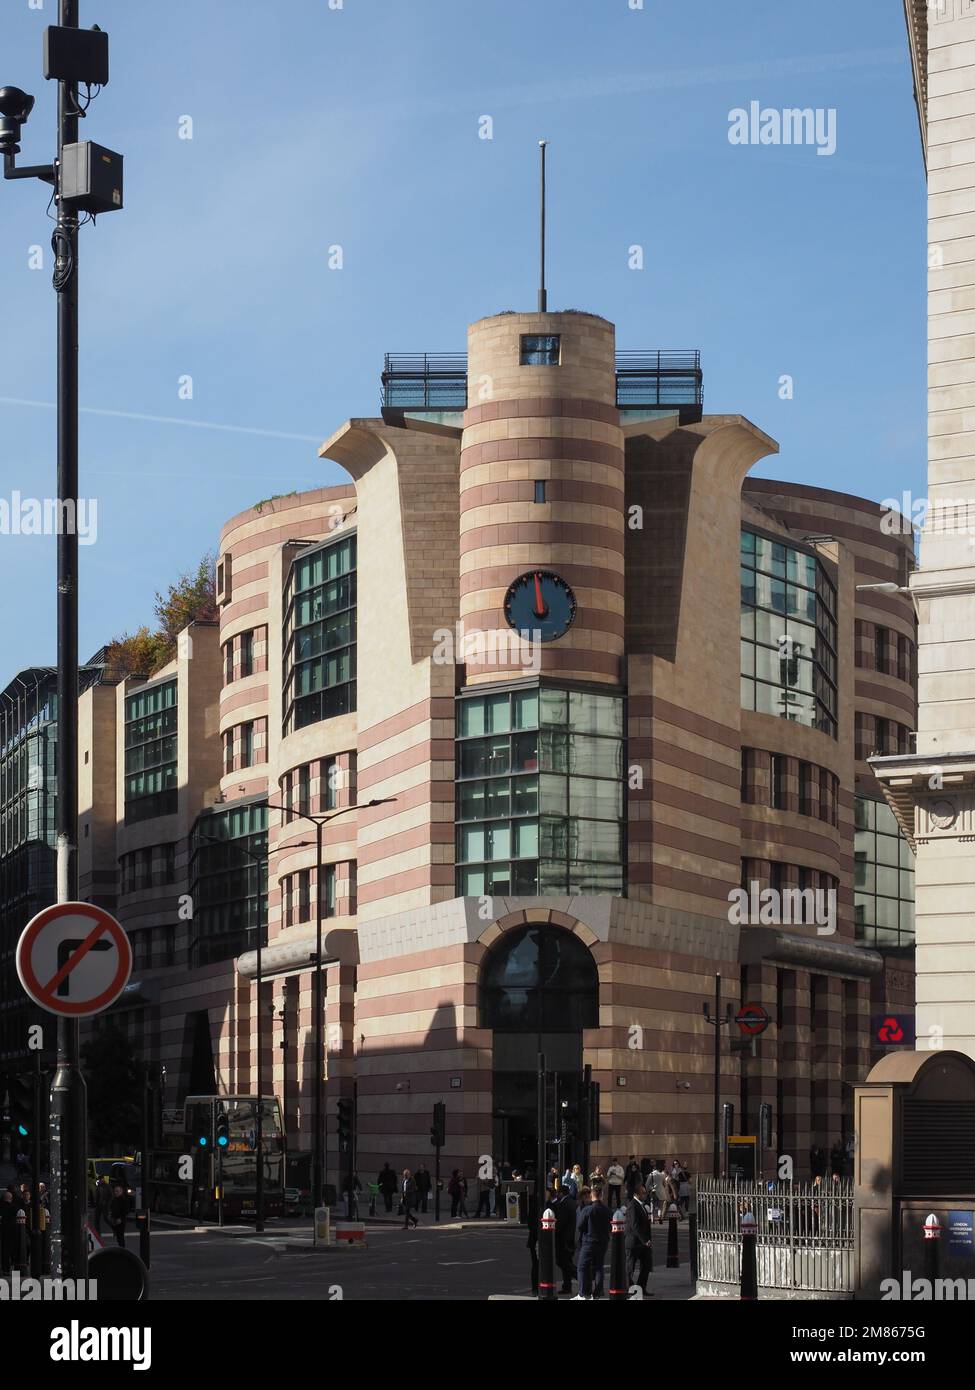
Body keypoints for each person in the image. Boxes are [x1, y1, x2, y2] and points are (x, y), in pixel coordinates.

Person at [573, 1183, 610, 1300]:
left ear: (592, 1195)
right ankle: (598, 1293)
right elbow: (610, 1226)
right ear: (602, 1196)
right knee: (599, 1267)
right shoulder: (608, 1210)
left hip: (589, 1242)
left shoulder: (588, 1210)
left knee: (582, 1267)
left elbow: (580, 1226)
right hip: (603, 1242)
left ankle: (583, 1293)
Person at [624, 1183, 653, 1296]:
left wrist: (648, 1240)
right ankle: (629, 1288)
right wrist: (645, 1240)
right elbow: (635, 1225)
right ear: (636, 1194)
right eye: (643, 1192)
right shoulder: (632, 1206)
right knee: (630, 1267)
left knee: (646, 1265)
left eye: (645, 1192)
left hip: (643, 1243)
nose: (645, 1194)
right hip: (634, 1242)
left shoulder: (641, 1205)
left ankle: (641, 1288)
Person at [552, 1181, 577, 1295]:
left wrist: (554, 1231)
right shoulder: (570, 1202)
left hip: (564, 1239)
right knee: (566, 1262)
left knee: (562, 1261)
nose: (557, 1194)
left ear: (562, 1193)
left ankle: (580, 1276)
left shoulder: (565, 1204)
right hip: (570, 1238)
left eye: (558, 1192)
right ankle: (567, 1286)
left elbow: (561, 1222)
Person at [109, 1183, 129, 1248]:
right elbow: (112, 1208)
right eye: (115, 1191)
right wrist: (111, 1214)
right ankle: (121, 1247)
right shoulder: (114, 1199)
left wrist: (120, 1218)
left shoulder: (124, 1200)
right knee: (118, 1236)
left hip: (121, 1220)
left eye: (118, 1191)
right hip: (115, 1219)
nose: (116, 1192)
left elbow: (126, 1210)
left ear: (121, 1191)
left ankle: (122, 1248)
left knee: (120, 1235)